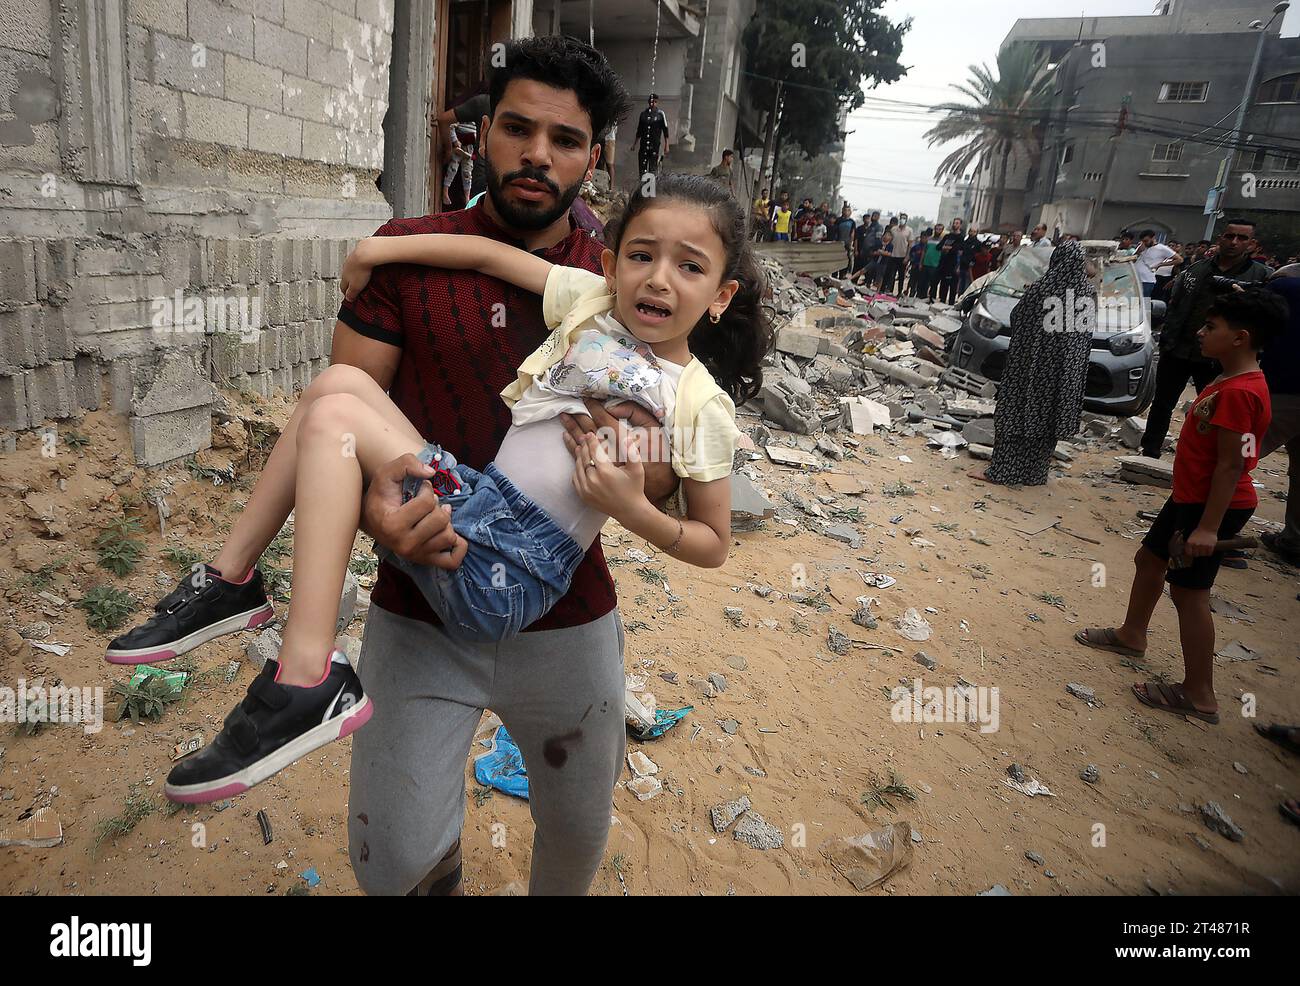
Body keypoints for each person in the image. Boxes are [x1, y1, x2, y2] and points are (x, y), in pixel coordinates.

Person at [113, 36, 669, 898]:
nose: (537, 154)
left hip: (568, 619)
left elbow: (665, 479)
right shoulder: (411, 248)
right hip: (418, 608)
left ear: (593, 158)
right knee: (395, 863)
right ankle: (261, 616)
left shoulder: (626, 281)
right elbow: (334, 422)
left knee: (574, 837)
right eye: (518, 128)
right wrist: (379, 505)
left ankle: (249, 601)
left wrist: (631, 469)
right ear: (485, 135)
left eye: (564, 140)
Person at [1076, 289, 1285, 725]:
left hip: (1212, 506)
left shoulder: (1239, 393)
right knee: (1148, 559)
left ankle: (1199, 693)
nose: (1201, 332)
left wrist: (1208, 528)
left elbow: (1231, 465)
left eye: (1211, 327)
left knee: (1190, 593)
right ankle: (1133, 634)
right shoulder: (1229, 379)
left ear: (1240, 338)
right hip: (1191, 498)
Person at [1140, 219, 1271, 459]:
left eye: (1241, 238)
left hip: (1219, 359)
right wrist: (1168, 338)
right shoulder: (1197, 269)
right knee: (1162, 404)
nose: (1234, 242)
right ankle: (1150, 451)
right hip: (1179, 349)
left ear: (1252, 244)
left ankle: (1203, 458)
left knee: (1212, 413)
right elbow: (1176, 303)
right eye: (1230, 236)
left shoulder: (1261, 277)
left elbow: (1265, 319)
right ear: (1221, 238)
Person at [974, 241, 1095, 486]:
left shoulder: (1044, 287)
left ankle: (1002, 471)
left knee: (1016, 416)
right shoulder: (1088, 291)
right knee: (1046, 421)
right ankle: (1034, 473)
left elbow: (1019, 317)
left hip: (1032, 367)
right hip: (1065, 373)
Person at [1258, 267, 1300, 563]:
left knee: (1237, 455)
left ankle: (1219, 533)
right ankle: (1294, 541)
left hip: (1284, 394)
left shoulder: (1285, 288)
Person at [1134, 229, 1177, 298]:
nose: (1144, 243)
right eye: (1143, 241)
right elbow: (1133, 259)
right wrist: (1139, 251)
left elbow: (1179, 259)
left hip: (1147, 281)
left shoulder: (1162, 248)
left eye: (1146, 241)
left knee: (1145, 303)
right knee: (1134, 302)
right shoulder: (1142, 247)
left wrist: (1160, 265)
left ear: (1153, 238)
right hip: (1136, 279)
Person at [442, 122, 477, 207]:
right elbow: (451, 126)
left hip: (470, 148)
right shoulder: (462, 118)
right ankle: (445, 191)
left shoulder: (477, 121)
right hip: (459, 145)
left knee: (467, 173)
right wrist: (455, 141)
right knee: (453, 168)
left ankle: (467, 198)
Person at [634, 93, 670, 177]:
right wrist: (634, 144)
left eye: (654, 102)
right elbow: (639, 130)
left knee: (652, 167)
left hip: (655, 145)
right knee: (642, 167)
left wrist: (666, 145)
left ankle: (651, 187)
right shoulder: (643, 114)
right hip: (643, 144)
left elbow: (665, 130)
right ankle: (642, 185)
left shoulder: (660, 114)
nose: (652, 104)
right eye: (651, 102)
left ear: (657, 102)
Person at [936, 218, 965, 304]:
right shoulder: (947, 236)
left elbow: (958, 249)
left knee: (953, 288)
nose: (955, 224)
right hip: (944, 265)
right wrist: (945, 248)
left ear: (960, 225)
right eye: (954, 223)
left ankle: (951, 304)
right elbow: (938, 247)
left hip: (954, 266)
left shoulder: (961, 237)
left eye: (957, 223)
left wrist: (947, 248)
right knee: (943, 287)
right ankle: (941, 302)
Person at [886, 213, 912, 295]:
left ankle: (899, 292)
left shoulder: (909, 230)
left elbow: (910, 245)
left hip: (902, 256)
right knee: (891, 275)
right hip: (893, 255)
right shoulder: (893, 229)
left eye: (904, 218)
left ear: (906, 220)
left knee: (901, 276)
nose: (902, 220)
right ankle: (890, 291)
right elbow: (889, 241)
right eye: (901, 218)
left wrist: (907, 257)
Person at [830, 204, 856, 276]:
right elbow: (835, 231)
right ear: (842, 211)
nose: (847, 212)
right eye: (845, 210)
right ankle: (834, 275)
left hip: (847, 244)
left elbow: (852, 233)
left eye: (849, 210)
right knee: (836, 260)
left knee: (845, 261)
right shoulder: (838, 220)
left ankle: (842, 275)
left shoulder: (852, 222)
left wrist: (851, 244)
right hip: (838, 243)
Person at [920, 225, 943, 300]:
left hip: (935, 265)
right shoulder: (928, 239)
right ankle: (922, 297)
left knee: (933, 283)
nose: (938, 230)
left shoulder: (942, 241)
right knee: (923, 282)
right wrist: (921, 262)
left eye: (940, 229)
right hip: (926, 263)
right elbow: (924, 251)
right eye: (937, 229)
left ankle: (931, 298)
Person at [906, 231, 928, 297]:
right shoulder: (916, 247)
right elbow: (911, 255)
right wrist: (911, 262)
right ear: (920, 238)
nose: (923, 239)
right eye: (922, 238)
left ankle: (919, 295)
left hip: (923, 268)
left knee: (920, 283)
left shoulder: (928, 247)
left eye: (925, 238)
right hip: (915, 266)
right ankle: (911, 294)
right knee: (912, 281)